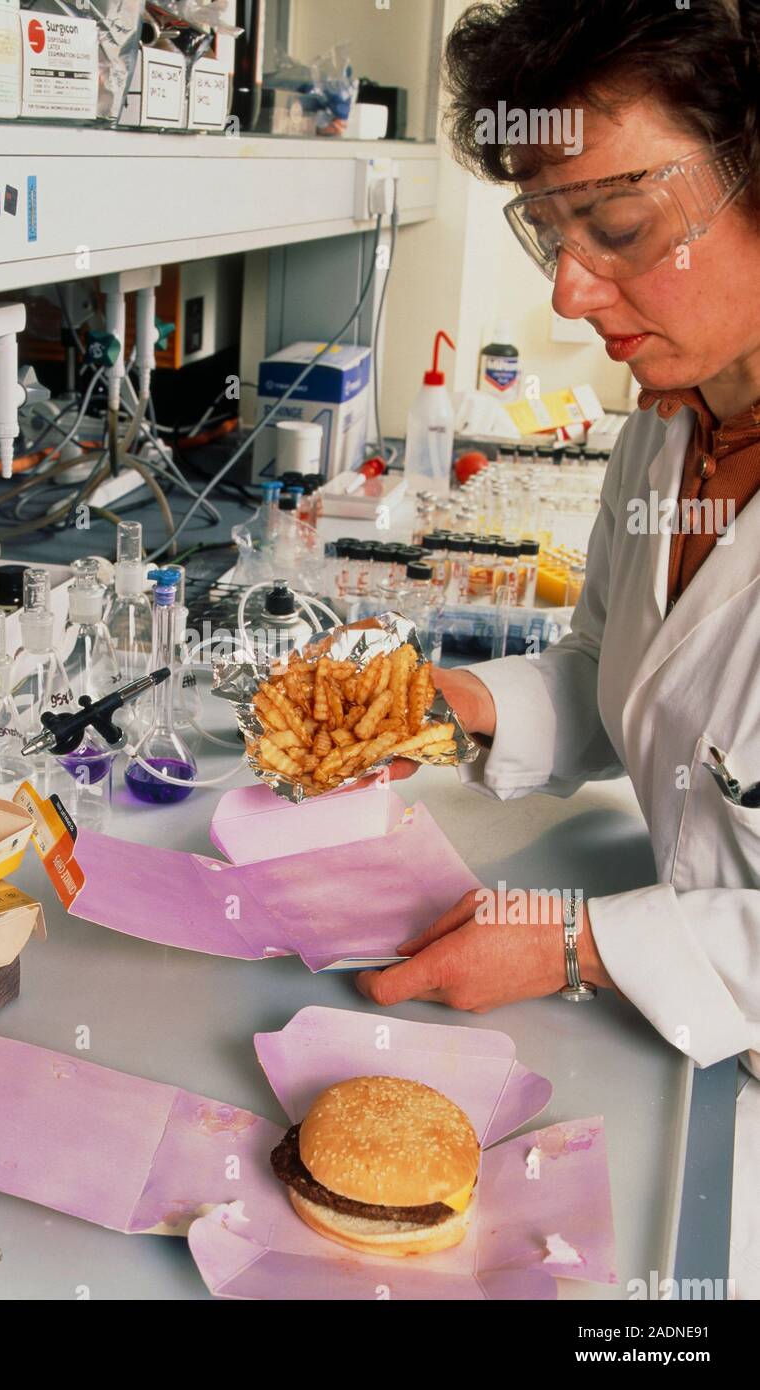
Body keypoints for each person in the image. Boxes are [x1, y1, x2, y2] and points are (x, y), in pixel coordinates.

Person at [356, 0, 760, 1296]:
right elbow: (618, 668)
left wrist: (574, 945)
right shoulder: (671, 421)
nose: (571, 292)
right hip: (686, 1066)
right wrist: (449, 702)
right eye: (551, 233)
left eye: (622, 230)